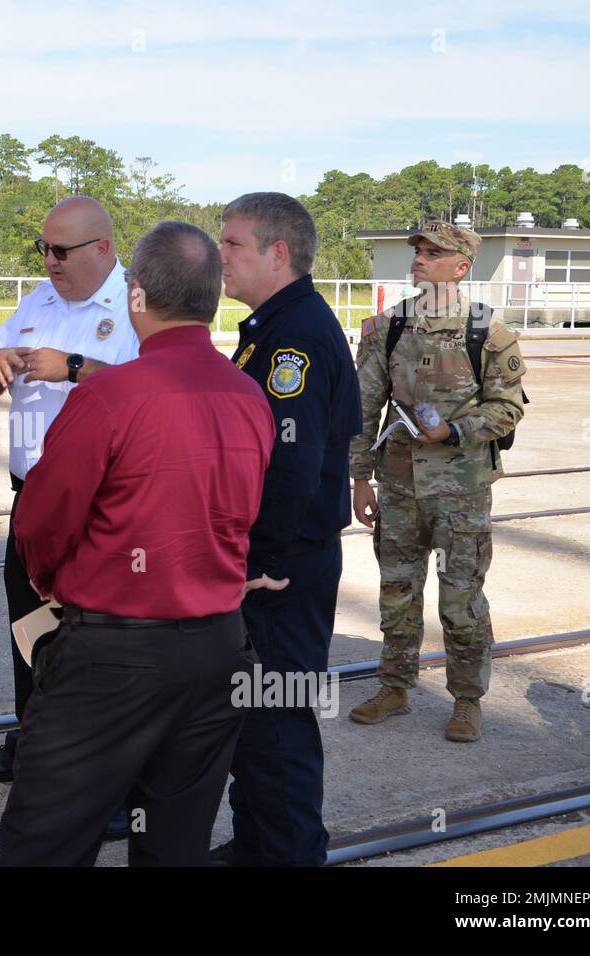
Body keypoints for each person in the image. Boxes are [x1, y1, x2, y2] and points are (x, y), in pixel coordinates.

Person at [0, 221, 277, 867]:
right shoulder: (249, 397)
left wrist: (52, 585)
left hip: (111, 660)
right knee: (175, 848)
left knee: (45, 842)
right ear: (211, 299)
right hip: (218, 653)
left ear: (137, 297)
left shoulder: (107, 396)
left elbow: (39, 523)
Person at [0, 196, 140, 837]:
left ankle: (111, 786)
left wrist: (75, 369)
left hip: (101, 509)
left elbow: (152, 396)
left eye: (61, 250)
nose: (49, 260)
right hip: (32, 498)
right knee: (30, 630)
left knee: (99, 644)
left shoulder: (134, 305)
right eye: (43, 247)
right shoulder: (37, 302)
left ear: (102, 249)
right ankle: (32, 748)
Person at [206, 193, 362, 868]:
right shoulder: (277, 323)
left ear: (278, 253)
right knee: (256, 716)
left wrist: (254, 561)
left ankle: (289, 854)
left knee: (276, 722)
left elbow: (290, 467)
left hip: (282, 567)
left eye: (233, 244)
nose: (220, 258)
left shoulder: (293, 333)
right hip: (281, 560)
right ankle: (259, 844)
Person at [347, 221, 525, 743]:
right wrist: (360, 479)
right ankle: (395, 687)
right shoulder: (388, 328)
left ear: (460, 267)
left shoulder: (488, 332)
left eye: (433, 253)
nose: (419, 260)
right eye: (418, 252)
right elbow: (363, 408)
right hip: (399, 488)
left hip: (461, 492)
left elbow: (507, 408)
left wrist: (454, 430)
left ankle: (467, 699)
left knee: (461, 598)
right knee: (397, 592)